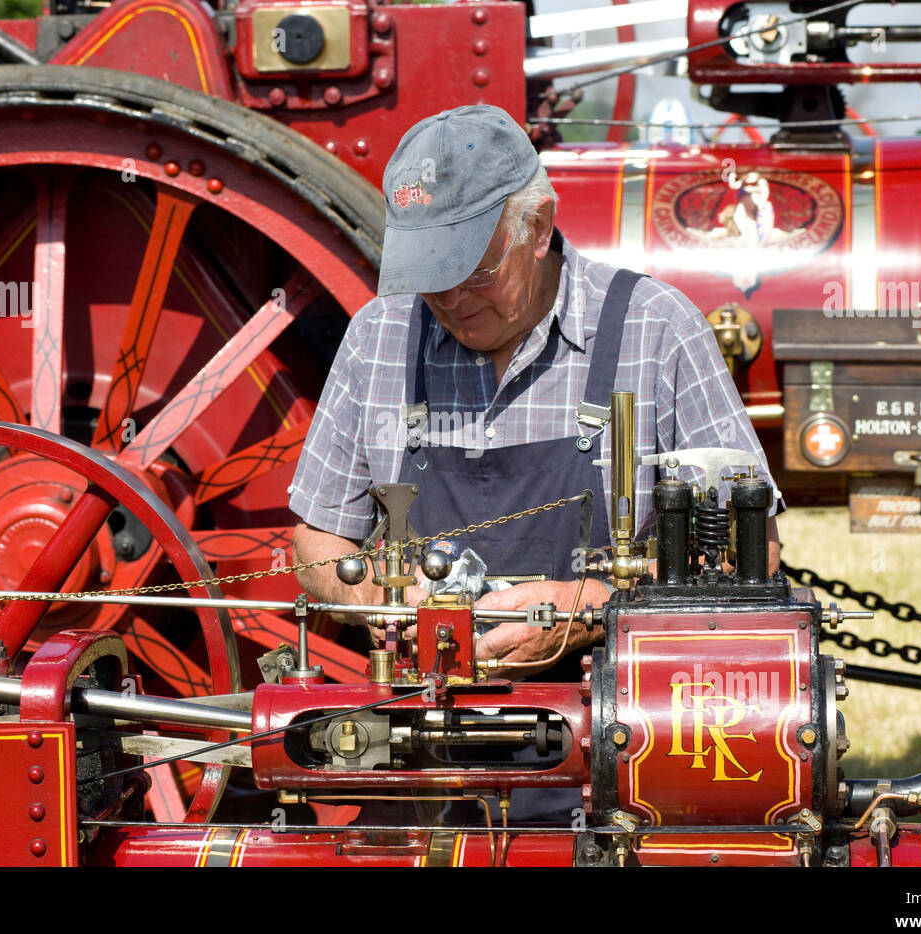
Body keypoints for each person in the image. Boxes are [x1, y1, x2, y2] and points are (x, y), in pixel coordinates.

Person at [288, 104, 784, 676]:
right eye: (429, 277)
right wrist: (379, 598)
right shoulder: (380, 337)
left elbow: (751, 555)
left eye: (474, 271)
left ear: (540, 227)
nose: (450, 300)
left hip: (613, 728)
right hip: (424, 723)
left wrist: (590, 611)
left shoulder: (655, 328)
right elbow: (318, 539)